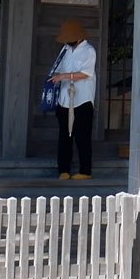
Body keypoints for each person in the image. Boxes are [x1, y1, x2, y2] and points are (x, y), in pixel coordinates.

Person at [48, 19, 96, 180]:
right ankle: (63, 169)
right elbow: (58, 69)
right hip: (64, 99)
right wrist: (57, 77)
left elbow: (85, 74)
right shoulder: (65, 50)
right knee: (64, 136)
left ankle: (85, 170)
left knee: (82, 136)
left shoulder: (89, 51)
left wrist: (64, 76)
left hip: (82, 99)